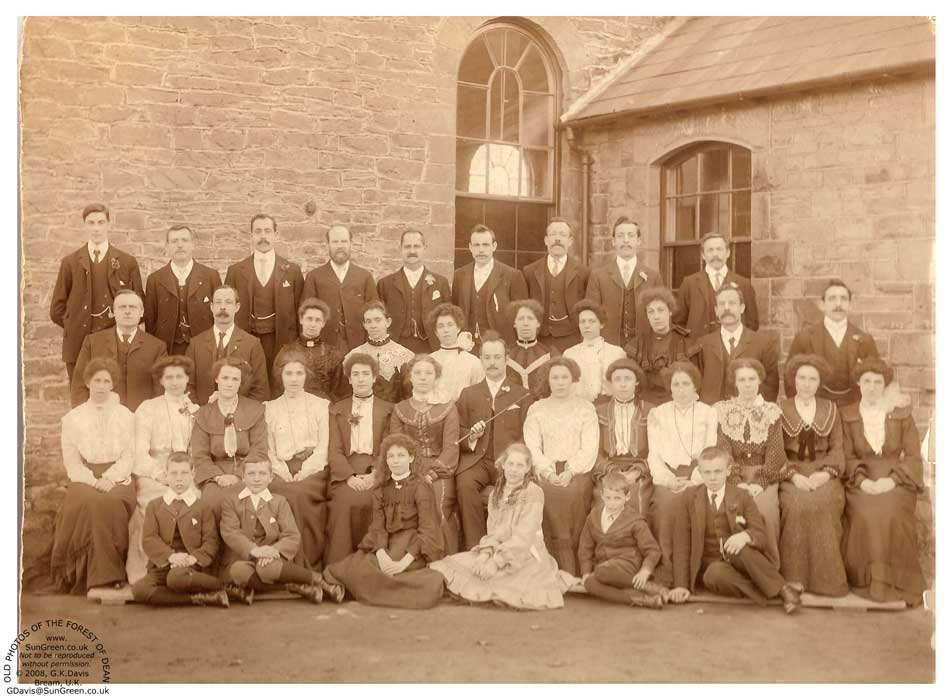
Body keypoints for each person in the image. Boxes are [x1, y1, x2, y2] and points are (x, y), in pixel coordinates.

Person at [431, 443, 569, 609]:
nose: (514, 469)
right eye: (510, 464)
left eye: (520, 465)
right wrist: (485, 555)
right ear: (503, 465)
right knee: (457, 565)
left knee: (498, 580)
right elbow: (494, 533)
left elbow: (523, 537)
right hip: (499, 549)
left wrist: (495, 562)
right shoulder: (496, 493)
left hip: (525, 553)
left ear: (527, 469)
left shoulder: (533, 493)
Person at [670, 447, 803, 613]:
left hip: (743, 562)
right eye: (707, 472)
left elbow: (761, 535)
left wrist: (746, 536)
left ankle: (780, 589)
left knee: (739, 549)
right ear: (700, 473)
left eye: (718, 471)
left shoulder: (742, 496)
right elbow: (681, 544)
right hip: (713, 565)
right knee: (714, 574)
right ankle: (779, 590)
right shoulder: (689, 497)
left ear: (728, 471)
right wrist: (681, 585)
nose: (712, 478)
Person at [323, 434, 446, 609]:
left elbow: (427, 529)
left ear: (411, 457)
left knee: (387, 572)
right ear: (385, 460)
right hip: (386, 542)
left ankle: (383, 586)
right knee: (352, 565)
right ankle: (368, 582)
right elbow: (377, 526)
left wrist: (401, 563)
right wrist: (381, 553)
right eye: (391, 456)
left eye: (401, 455)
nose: (395, 461)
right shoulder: (381, 487)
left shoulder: (421, 486)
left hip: (412, 546)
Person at [841, 359, 925, 606]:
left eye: (878, 382)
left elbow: (912, 455)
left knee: (891, 512)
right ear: (858, 383)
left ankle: (898, 583)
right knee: (866, 514)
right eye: (866, 381)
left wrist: (892, 481)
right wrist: (863, 482)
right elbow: (845, 456)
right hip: (860, 480)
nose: (872, 387)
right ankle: (867, 583)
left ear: (885, 385)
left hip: (896, 480)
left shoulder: (900, 414)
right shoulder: (847, 416)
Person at [50, 358, 136, 593]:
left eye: (106, 381)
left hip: (118, 475)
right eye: (96, 380)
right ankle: (92, 574)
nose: (101, 385)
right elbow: (72, 461)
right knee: (88, 502)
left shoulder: (126, 416)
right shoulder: (72, 418)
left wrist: (111, 478)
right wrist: (93, 480)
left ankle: (112, 572)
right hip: (84, 476)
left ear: (113, 384)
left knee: (112, 503)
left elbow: (130, 455)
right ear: (87, 383)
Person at [220, 460, 339, 605]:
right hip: (245, 558)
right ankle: (295, 587)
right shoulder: (231, 501)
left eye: (262, 474)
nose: (257, 478)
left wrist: (272, 551)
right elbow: (230, 532)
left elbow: (292, 535)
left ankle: (319, 580)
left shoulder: (279, 502)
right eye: (251, 474)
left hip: (271, 560)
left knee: (266, 568)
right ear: (243, 477)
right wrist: (254, 550)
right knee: (238, 571)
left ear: (271, 477)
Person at [778, 354, 849, 597]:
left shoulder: (831, 409)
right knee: (796, 506)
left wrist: (825, 475)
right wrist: (794, 477)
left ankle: (827, 582)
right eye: (801, 378)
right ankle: (793, 581)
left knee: (824, 504)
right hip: (791, 472)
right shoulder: (780, 409)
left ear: (819, 382)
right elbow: (775, 451)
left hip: (823, 472)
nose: (806, 384)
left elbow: (838, 450)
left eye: (812, 379)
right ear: (793, 380)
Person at [50, 203, 144, 381]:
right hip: (78, 344)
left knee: (115, 393)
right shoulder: (70, 263)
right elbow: (56, 309)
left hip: (114, 343)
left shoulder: (127, 262)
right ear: (84, 225)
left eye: (101, 222)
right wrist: (75, 324)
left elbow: (140, 306)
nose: (96, 228)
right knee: (80, 395)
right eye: (91, 223)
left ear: (109, 224)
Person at [455, 332, 532, 550]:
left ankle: (506, 548)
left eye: (497, 357)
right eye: (487, 357)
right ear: (480, 359)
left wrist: (516, 461)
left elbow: (528, 434)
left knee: (515, 488)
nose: (492, 362)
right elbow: (458, 431)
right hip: (477, 461)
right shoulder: (469, 393)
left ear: (507, 359)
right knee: (464, 485)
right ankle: (476, 547)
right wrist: (471, 436)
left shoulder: (521, 394)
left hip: (509, 463)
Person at [127, 355, 200, 583]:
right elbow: (139, 452)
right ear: (161, 381)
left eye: (180, 376)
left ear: (187, 378)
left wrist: (187, 474)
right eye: (169, 377)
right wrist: (161, 474)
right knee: (153, 504)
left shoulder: (196, 410)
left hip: (188, 472)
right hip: (155, 472)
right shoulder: (148, 409)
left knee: (197, 500)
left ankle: (190, 568)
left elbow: (199, 449)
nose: (175, 382)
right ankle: (147, 570)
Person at [523, 357, 599, 575]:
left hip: (577, 471)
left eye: (565, 377)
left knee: (572, 493)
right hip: (545, 469)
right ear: (548, 380)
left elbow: (590, 447)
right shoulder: (537, 408)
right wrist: (547, 471)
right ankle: (549, 566)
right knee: (545, 492)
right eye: (555, 377)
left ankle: (572, 567)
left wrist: (570, 471)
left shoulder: (585, 408)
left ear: (573, 380)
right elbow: (532, 446)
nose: (560, 382)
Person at [645, 361, 718, 585]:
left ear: (695, 385)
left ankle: (694, 574)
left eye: (686, 383)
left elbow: (711, 450)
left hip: (699, 475)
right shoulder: (658, 413)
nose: (681, 389)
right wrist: (668, 480)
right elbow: (653, 454)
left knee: (695, 507)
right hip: (668, 477)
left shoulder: (708, 412)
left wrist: (696, 478)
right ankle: (667, 571)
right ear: (670, 387)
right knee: (665, 506)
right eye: (676, 384)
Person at [131, 452, 228, 608]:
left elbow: (211, 542)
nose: (179, 478)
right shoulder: (155, 506)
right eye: (174, 473)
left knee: (176, 578)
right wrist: (171, 557)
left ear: (192, 475)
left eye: (184, 473)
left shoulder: (202, 507)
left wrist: (192, 559)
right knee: (139, 590)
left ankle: (218, 584)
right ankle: (200, 597)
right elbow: (149, 540)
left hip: (192, 566)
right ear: (166, 475)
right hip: (164, 565)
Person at [714, 358, 787, 566]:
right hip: (731, 474)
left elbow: (776, 451)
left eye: (751, 379)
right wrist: (737, 481)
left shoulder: (771, 411)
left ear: (759, 381)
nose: (747, 384)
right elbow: (723, 447)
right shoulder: (723, 410)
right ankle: (737, 565)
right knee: (733, 509)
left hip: (763, 474)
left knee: (764, 510)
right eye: (742, 379)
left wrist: (759, 484)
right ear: (735, 383)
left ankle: (770, 566)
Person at [324, 354, 395, 565]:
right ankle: (339, 567)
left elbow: (388, 445)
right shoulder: (336, 410)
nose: (361, 379)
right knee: (345, 503)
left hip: (377, 469)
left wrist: (376, 474)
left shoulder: (388, 409)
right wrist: (348, 477)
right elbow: (334, 449)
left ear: (374, 378)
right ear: (349, 379)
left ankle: (371, 565)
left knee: (375, 501)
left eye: (366, 374)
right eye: (356, 374)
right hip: (346, 469)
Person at [265, 350, 332, 571]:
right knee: (283, 493)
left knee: (300, 495)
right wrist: (283, 472)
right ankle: (284, 564)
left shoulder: (320, 405)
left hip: (314, 470)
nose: (294, 379)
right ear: (280, 377)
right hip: (279, 470)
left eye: (299, 373)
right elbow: (269, 449)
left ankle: (308, 564)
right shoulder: (269, 408)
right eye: (288, 373)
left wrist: (305, 471)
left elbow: (324, 447)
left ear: (306, 375)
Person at [390, 355, 461, 553]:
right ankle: (410, 560)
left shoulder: (448, 407)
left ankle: (446, 559)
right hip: (409, 469)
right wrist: (411, 473)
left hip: (441, 470)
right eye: (418, 373)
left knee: (437, 504)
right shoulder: (400, 409)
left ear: (436, 377)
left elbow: (451, 448)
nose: (423, 377)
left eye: (428, 373)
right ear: (410, 377)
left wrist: (432, 473)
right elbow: (396, 448)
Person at [224, 213, 304, 385]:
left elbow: (299, 312)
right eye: (258, 231)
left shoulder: (292, 271)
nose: (263, 236)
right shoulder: (236, 271)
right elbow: (228, 310)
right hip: (247, 338)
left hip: (281, 340)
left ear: (276, 234)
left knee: (279, 384)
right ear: (251, 236)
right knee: (249, 383)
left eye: (268, 231)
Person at [190, 357, 268, 517]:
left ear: (241, 382)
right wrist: (217, 477)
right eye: (225, 378)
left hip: (249, 472)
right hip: (214, 476)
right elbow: (199, 455)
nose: (229, 383)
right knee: (212, 501)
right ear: (217, 379)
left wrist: (238, 475)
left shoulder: (255, 410)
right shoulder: (203, 414)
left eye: (235, 379)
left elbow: (259, 449)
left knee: (248, 501)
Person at [579, 473, 668, 609]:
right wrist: (585, 573)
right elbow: (585, 548)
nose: (612, 503)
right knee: (589, 582)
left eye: (617, 498)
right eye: (608, 498)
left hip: (628, 564)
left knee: (601, 572)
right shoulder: (593, 517)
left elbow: (653, 550)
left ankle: (646, 585)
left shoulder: (634, 520)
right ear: (602, 495)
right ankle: (641, 600)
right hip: (604, 568)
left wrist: (645, 571)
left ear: (627, 497)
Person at [787, 279, 880, 405]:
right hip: (816, 408)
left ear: (850, 304)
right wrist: (801, 409)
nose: (838, 304)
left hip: (854, 409)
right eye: (832, 299)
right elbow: (790, 377)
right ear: (822, 304)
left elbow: (877, 378)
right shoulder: (805, 338)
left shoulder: (865, 340)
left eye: (843, 299)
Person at [71, 289, 167, 411]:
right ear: (113, 312)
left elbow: (160, 390)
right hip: (102, 418)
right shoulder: (93, 342)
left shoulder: (157, 347)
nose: (127, 311)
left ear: (141, 312)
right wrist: (86, 417)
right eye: (122, 307)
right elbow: (79, 385)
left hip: (141, 419)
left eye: (132, 307)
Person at [144, 224, 222, 355]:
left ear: (193, 244)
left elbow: (219, 315)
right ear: (167, 247)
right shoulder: (155, 279)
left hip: (204, 348)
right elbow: (150, 321)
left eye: (184, 240)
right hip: (168, 349)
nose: (179, 245)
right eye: (174, 241)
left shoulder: (210, 276)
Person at [584, 216, 661, 347]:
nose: (626, 241)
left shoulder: (653, 277)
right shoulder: (598, 276)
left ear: (639, 241)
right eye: (620, 236)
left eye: (631, 235)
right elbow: (590, 316)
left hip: (644, 349)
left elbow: (660, 315)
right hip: (608, 347)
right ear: (613, 241)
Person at [185, 285, 269, 405]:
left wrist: (239, 415)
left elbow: (260, 390)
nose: (223, 307)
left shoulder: (252, 344)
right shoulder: (196, 344)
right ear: (211, 307)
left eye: (228, 302)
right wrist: (201, 414)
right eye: (218, 302)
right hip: (203, 417)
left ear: (237, 307)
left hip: (240, 419)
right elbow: (187, 386)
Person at [696, 286, 779, 404]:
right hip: (712, 415)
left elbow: (771, 386)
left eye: (732, 303)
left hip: (750, 416)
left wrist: (758, 415)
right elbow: (695, 383)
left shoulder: (763, 343)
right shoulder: (703, 344)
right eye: (722, 304)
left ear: (742, 308)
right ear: (716, 310)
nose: (727, 308)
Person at [303, 223, 379, 352]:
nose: (340, 246)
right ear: (328, 245)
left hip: (357, 344)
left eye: (344, 241)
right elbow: (306, 314)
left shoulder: (364, 276)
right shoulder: (314, 277)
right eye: (335, 241)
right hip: (323, 345)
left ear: (351, 244)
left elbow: (374, 313)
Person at [376, 228, 452, 354]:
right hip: (395, 347)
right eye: (407, 247)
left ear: (424, 248)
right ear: (400, 248)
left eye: (416, 246)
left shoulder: (440, 282)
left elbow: (448, 317)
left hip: (430, 347)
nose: (412, 251)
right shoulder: (385, 284)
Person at [452, 224, 528, 346]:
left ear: (494, 246)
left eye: (485, 245)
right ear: (470, 247)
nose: (481, 250)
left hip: (500, 346)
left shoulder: (512, 276)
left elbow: (521, 316)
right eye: (476, 245)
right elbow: (455, 312)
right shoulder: (459, 275)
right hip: (468, 347)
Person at [522, 218, 590, 353]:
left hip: (572, 340)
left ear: (570, 241)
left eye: (562, 235)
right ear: (546, 240)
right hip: (539, 339)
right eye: (553, 234)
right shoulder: (529, 271)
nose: (557, 239)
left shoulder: (584, 273)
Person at [592, 359, 652, 512]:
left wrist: (638, 471)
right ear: (610, 383)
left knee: (639, 499)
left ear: (636, 381)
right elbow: (593, 450)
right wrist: (611, 471)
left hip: (640, 470)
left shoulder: (651, 411)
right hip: (609, 469)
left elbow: (658, 450)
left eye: (628, 378)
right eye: (617, 379)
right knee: (605, 500)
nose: (623, 384)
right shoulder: (598, 412)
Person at [674, 232, 758, 338]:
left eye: (719, 249)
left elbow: (752, 323)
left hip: (732, 350)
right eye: (710, 250)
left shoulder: (743, 284)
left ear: (728, 252)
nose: (715, 254)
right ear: (703, 255)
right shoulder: (689, 283)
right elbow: (678, 323)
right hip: (698, 350)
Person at [625, 286, 697, 404]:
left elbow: (694, 380)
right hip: (645, 404)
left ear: (670, 311)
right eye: (651, 311)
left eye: (660, 310)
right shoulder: (637, 344)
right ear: (647, 315)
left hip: (678, 403)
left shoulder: (685, 342)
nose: (656, 316)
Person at [273, 297, 344, 401]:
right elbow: (277, 387)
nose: (313, 324)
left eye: (318, 320)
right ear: (301, 320)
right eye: (309, 319)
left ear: (323, 323)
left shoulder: (333, 354)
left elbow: (339, 392)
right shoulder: (286, 352)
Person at [344, 300, 414, 403]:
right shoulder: (353, 355)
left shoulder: (406, 355)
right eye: (369, 321)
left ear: (388, 322)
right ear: (364, 325)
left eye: (378, 320)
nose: (373, 325)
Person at [562, 300, 627, 402]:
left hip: (608, 408)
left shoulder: (617, 353)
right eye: (582, 322)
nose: (586, 326)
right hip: (577, 408)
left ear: (601, 324)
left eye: (592, 321)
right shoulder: (569, 354)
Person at [427, 303, 485, 403]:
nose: (446, 330)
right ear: (436, 332)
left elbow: (479, 396)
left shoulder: (473, 362)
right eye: (441, 326)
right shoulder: (429, 361)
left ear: (458, 328)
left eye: (450, 325)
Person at [506, 299, 558, 394]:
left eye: (530, 318)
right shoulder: (505, 354)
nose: (525, 323)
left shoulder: (550, 354)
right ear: (514, 324)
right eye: (521, 319)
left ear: (538, 323)